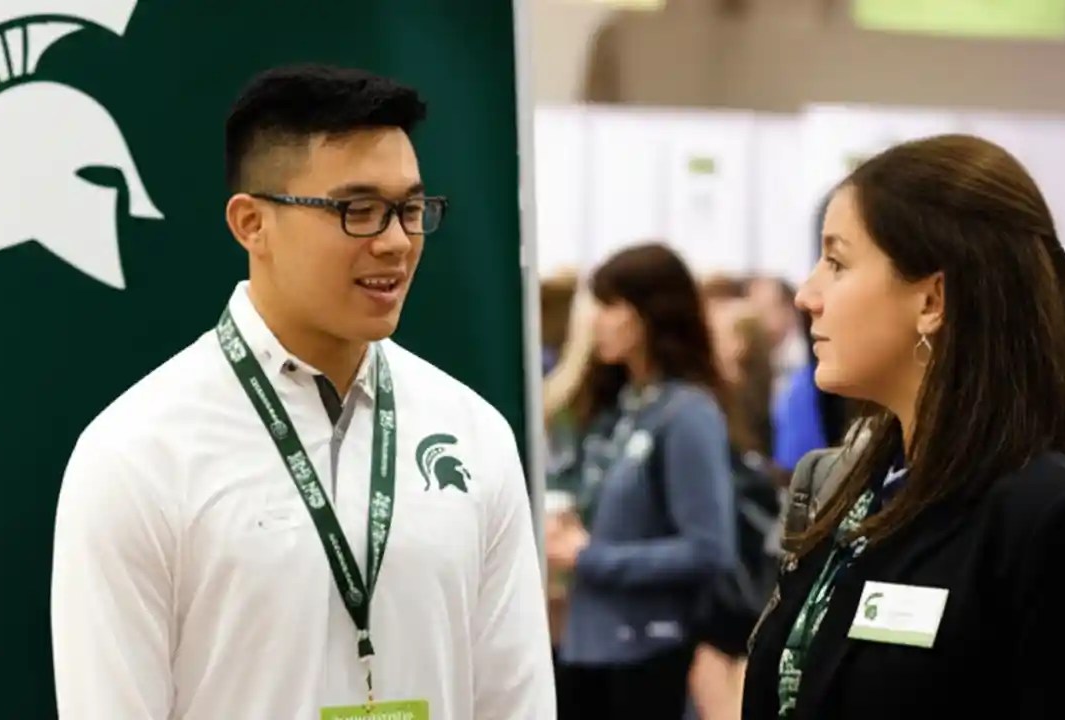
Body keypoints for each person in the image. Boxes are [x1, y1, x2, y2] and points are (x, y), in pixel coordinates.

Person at [50, 64, 555, 719]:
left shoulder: (472, 433)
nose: (395, 242)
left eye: (410, 210)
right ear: (251, 223)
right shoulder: (139, 453)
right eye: (358, 211)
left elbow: (516, 701)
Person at [742, 134, 1065, 720]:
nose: (807, 295)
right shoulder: (848, 491)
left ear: (932, 301)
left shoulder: (1055, 521)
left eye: (837, 263)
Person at [545, 242, 738, 720]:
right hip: (587, 646)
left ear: (650, 314)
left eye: (611, 306)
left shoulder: (687, 414)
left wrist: (589, 556)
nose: (596, 322)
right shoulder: (621, 406)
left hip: (649, 653)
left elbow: (708, 548)